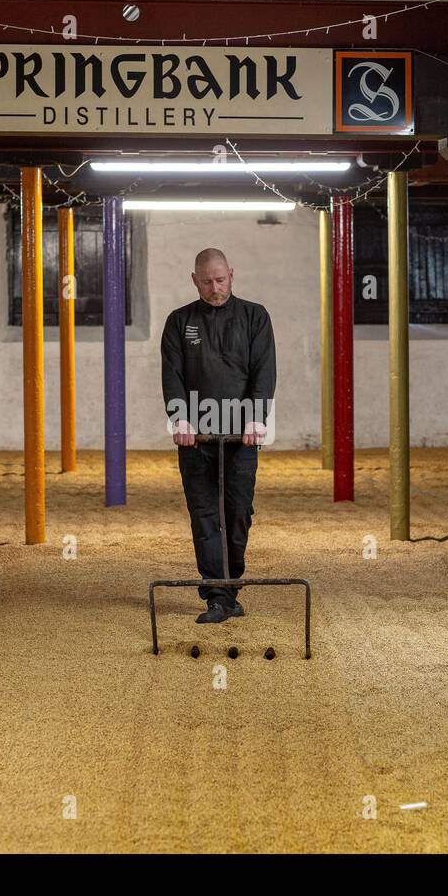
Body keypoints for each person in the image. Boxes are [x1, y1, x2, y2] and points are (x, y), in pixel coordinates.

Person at [160, 248, 277, 624]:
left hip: (242, 435)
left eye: (221, 279)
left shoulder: (255, 317)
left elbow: (264, 370)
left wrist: (257, 418)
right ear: (194, 280)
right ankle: (216, 595)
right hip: (197, 440)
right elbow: (172, 375)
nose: (215, 288)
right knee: (205, 513)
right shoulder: (180, 322)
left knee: (238, 512)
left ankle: (231, 584)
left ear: (232, 274)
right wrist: (180, 420)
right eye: (207, 281)